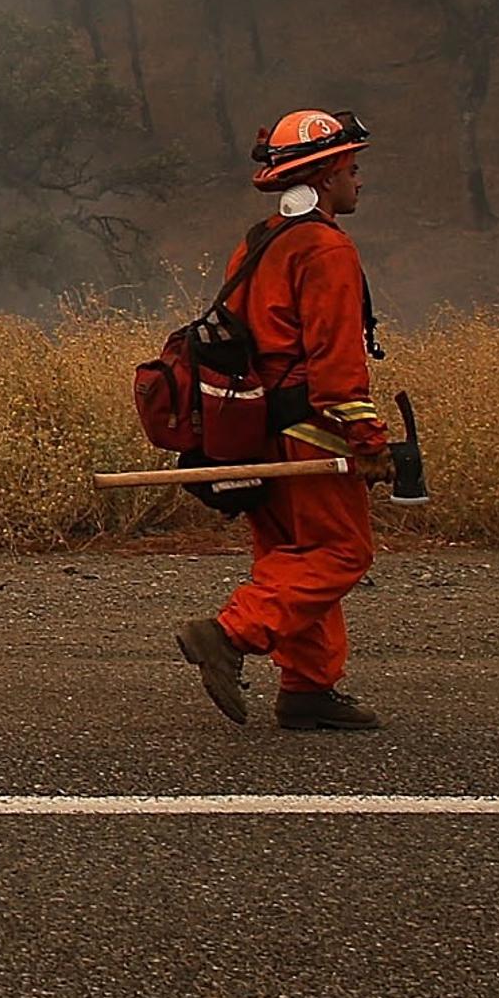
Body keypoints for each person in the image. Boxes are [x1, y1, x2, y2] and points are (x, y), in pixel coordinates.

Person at [175, 109, 398, 731]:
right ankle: (229, 634)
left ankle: (308, 689)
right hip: (309, 432)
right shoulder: (326, 249)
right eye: (352, 169)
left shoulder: (258, 241)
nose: (360, 181)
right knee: (340, 552)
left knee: (291, 556)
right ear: (324, 175)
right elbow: (335, 365)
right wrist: (368, 438)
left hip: (253, 430)